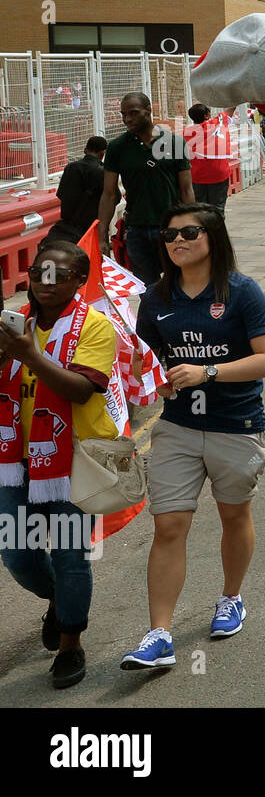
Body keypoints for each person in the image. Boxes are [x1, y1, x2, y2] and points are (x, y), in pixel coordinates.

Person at [122, 204, 265, 670]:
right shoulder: (155, 298)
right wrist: (146, 372)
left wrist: (208, 370)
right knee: (169, 526)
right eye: (169, 235)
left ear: (213, 236)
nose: (177, 241)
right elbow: (147, 362)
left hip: (237, 426)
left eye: (189, 232)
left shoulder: (242, 292)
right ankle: (159, 635)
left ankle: (231, 598)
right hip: (177, 429)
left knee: (234, 516)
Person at [0, 240, 118, 689]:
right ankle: (58, 599)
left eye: (59, 274)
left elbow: (80, 391)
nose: (45, 282)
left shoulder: (96, 328)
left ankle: (71, 643)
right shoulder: (13, 324)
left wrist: (30, 356)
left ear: (78, 282)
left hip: (73, 463)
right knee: (17, 556)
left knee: (71, 559)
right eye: (38, 272)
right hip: (13, 462)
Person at [99, 92, 195, 286]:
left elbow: (186, 190)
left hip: (171, 229)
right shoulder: (117, 147)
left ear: (148, 111)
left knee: (178, 284)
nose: (127, 119)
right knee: (146, 290)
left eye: (133, 113)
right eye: (123, 114)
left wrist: (192, 225)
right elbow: (109, 195)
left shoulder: (174, 143)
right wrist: (102, 236)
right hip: (136, 230)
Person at [48, 136, 113, 244]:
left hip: (68, 229)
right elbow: (113, 197)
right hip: (92, 228)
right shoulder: (102, 172)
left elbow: (60, 195)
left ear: (85, 150)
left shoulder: (70, 168)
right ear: (103, 153)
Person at [183, 103, 234, 212]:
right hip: (218, 174)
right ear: (207, 115)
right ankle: (216, 227)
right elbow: (230, 110)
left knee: (200, 209)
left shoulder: (186, 133)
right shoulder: (217, 124)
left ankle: (202, 228)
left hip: (197, 176)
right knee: (217, 208)